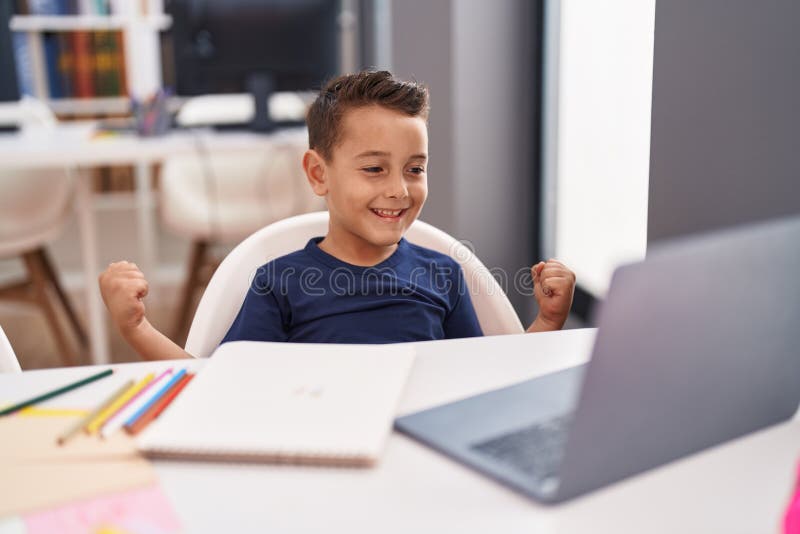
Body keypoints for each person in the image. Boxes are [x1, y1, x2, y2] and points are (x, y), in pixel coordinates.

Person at [99, 70, 576, 361]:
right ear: (318, 174)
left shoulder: (444, 275)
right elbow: (211, 383)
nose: (398, 189)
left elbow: (488, 377)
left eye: (415, 169)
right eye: (374, 169)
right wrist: (136, 327)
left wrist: (548, 321)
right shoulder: (281, 282)